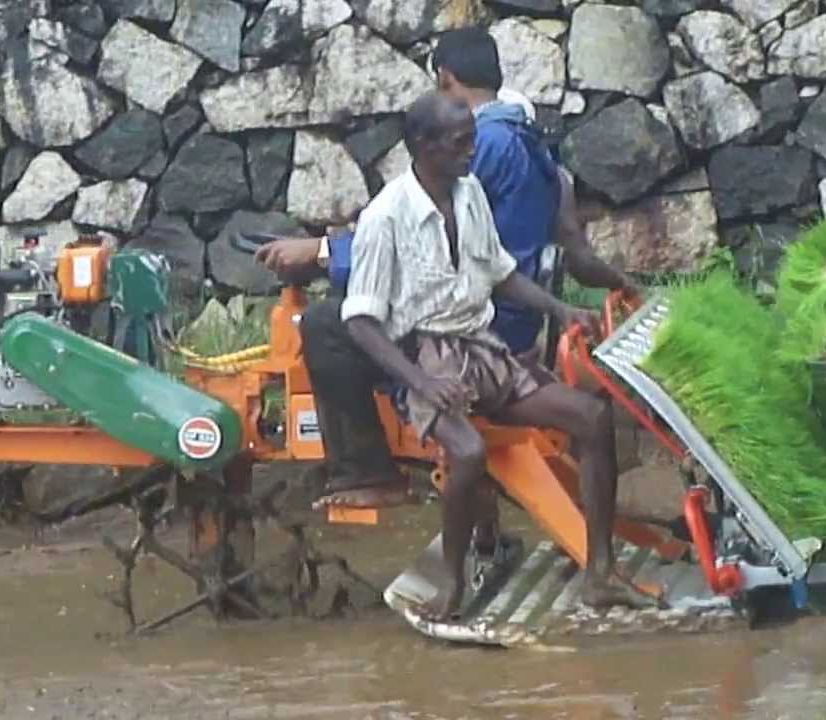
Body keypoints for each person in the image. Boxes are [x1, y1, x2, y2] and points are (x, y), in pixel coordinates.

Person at [255, 28, 634, 511]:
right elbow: (572, 251)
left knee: (325, 323)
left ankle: (367, 473)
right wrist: (609, 289)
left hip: (474, 326)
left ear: (444, 79)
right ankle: (484, 535)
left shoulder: (477, 148)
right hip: (515, 319)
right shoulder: (535, 144)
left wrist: (323, 253)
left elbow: (423, 243)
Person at [344, 91, 634, 619]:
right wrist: (423, 384)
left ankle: (599, 574)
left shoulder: (470, 191)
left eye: (471, 140)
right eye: (459, 144)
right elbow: (361, 323)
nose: (470, 152)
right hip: (423, 357)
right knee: (470, 452)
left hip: (484, 346)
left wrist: (560, 309)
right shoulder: (384, 217)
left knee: (592, 417)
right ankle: (452, 584)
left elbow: (501, 275)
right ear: (421, 145)